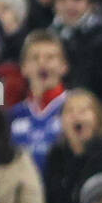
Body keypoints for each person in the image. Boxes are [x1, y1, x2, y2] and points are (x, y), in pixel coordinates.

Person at [8, 29, 68, 173]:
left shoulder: (76, 107)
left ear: (64, 66)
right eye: (35, 58)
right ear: (24, 68)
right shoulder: (12, 115)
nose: (42, 63)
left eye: (50, 57)